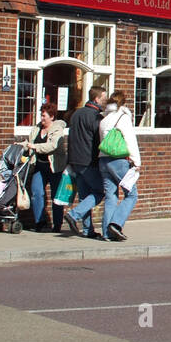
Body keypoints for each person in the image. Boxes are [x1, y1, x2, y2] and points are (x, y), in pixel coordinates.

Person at [64, 85, 107, 238]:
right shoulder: (96, 117)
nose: (105, 101)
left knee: (84, 195)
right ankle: (74, 214)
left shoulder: (76, 114)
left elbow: (71, 137)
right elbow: (99, 140)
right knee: (100, 192)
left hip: (75, 160)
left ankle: (88, 230)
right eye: (103, 98)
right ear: (96, 98)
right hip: (89, 161)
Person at [96, 91, 140, 242]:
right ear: (123, 103)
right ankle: (115, 224)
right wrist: (136, 161)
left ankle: (106, 233)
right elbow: (130, 139)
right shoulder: (123, 117)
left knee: (111, 196)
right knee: (132, 194)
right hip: (119, 161)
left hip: (103, 160)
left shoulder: (104, 119)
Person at [24, 102, 67, 232]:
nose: (42, 118)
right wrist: (24, 145)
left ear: (52, 117)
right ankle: (39, 222)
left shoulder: (57, 129)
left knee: (56, 197)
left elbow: (52, 146)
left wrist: (35, 147)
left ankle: (57, 224)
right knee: (36, 193)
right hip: (39, 166)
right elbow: (30, 143)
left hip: (54, 167)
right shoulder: (37, 129)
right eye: (41, 115)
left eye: (44, 116)